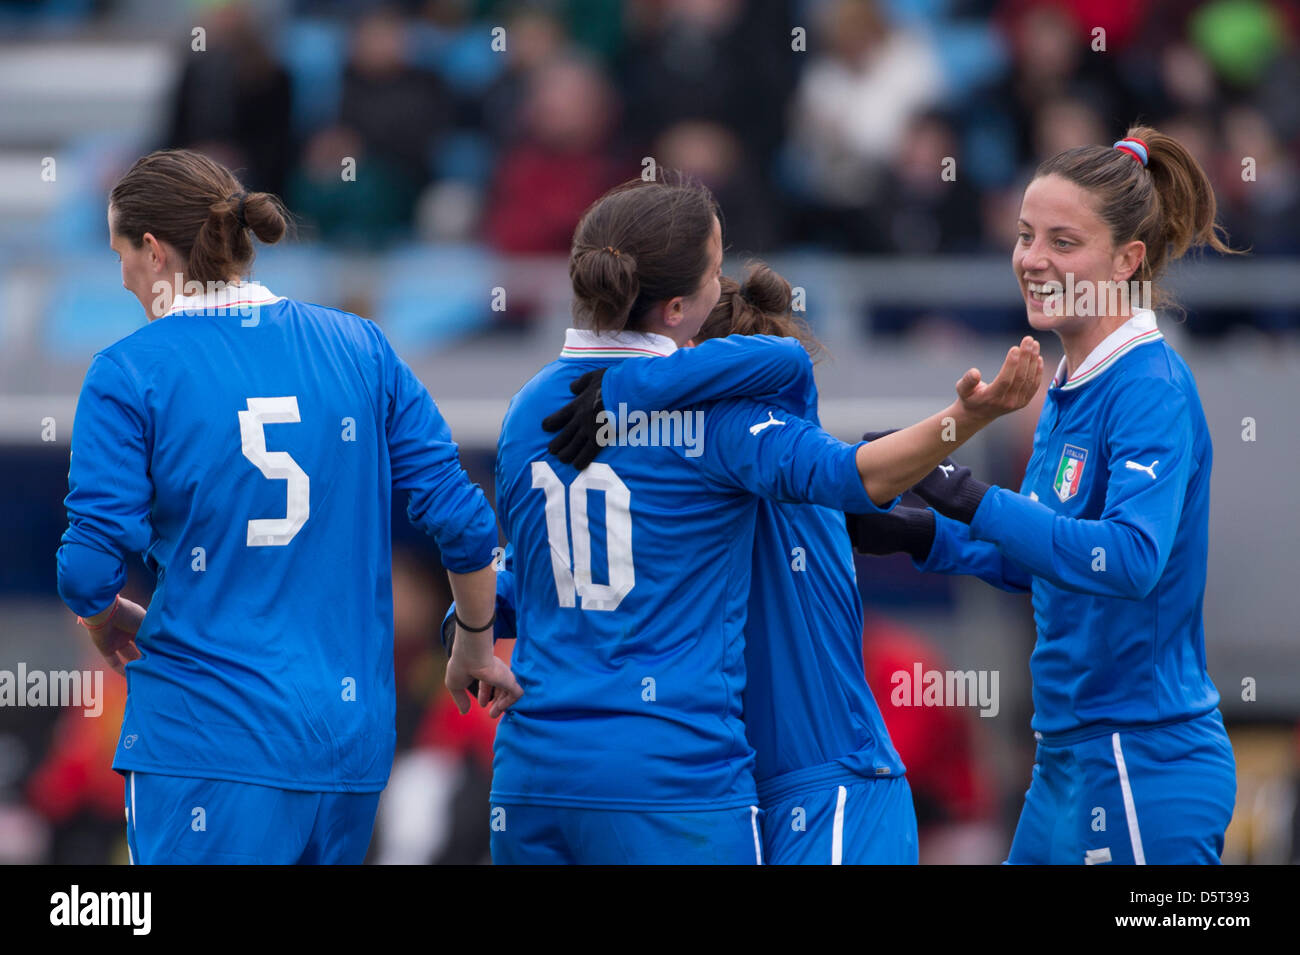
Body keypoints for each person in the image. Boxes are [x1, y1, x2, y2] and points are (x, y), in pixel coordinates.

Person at [478, 174, 1041, 864]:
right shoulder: (740, 453)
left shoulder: (762, 461)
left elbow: (505, 586)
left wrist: (469, 631)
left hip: (819, 785)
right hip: (721, 786)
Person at [55, 149, 519, 865]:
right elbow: (462, 520)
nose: (120, 276)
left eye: (120, 254)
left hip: (208, 743)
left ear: (153, 251)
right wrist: (476, 642)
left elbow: (88, 569)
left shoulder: (130, 369)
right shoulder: (361, 346)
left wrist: (103, 617)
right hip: (347, 745)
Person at [852, 127, 1239, 864]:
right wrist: (919, 534)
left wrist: (967, 494)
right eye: (1026, 235)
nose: (1032, 259)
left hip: (1140, 759)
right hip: (1066, 760)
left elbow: (1129, 560)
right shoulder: (1068, 382)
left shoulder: (1147, 387)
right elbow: (1048, 556)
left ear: (1126, 260)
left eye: (1063, 241)